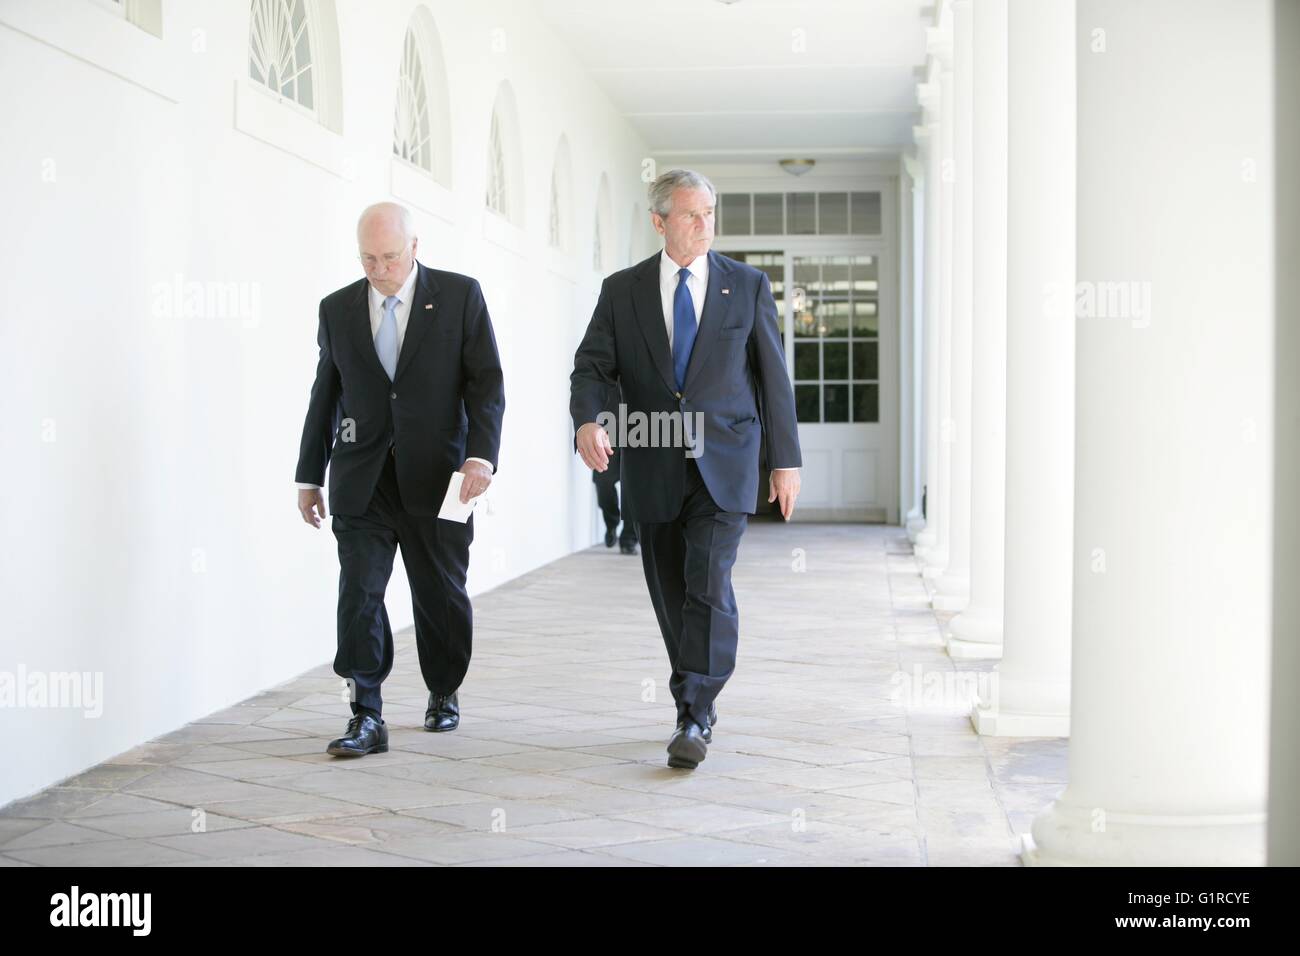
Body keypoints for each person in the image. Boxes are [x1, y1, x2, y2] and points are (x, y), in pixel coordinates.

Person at [570, 169, 802, 770]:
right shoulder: (622, 291)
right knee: (671, 592)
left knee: (709, 582)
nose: (704, 225)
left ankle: (695, 711)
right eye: (691, 215)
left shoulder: (745, 286)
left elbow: (772, 378)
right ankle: (694, 697)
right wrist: (590, 421)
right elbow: (592, 367)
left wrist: (785, 461)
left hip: (726, 462)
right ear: (660, 222)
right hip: (653, 462)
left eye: (709, 213)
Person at [295, 202, 504, 757]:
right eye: (368, 258)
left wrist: (481, 457)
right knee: (359, 593)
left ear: (415, 246)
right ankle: (366, 711)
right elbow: (326, 393)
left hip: (442, 476)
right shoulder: (337, 308)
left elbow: (486, 384)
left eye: (390, 256)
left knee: (439, 593)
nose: (379, 268)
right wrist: (308, 475)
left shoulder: (460, 297)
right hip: (361, 477)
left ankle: (443, 689)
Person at [593, 381, 638, 555]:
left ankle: (629, 539)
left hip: (638, 433)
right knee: (603, 481)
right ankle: (611, 523)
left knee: (634, 488)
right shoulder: (604, 367)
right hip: (607, 434)